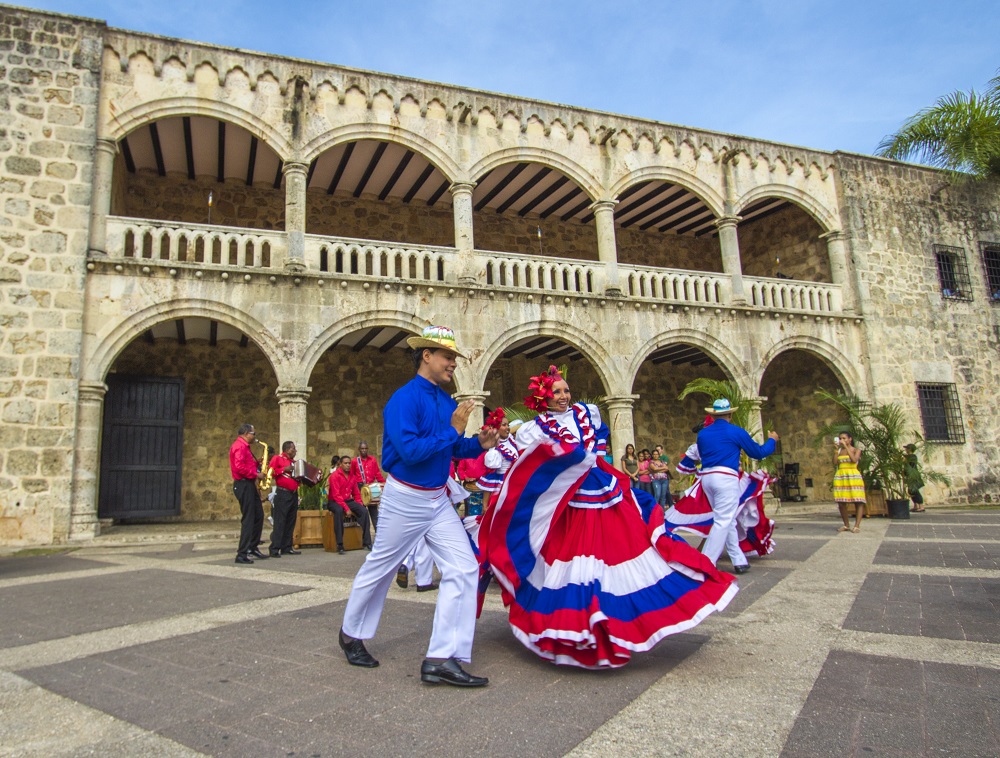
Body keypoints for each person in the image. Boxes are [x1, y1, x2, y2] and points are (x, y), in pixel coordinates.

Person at [480, 366, 737, 669]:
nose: (564, 396)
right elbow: (500, 457)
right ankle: (578, 625)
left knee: (622, 550)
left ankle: (614, 618)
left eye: (566, 390)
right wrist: (493, 448)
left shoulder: (586, 414)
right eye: (557, 393)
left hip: (603, 490)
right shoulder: (534, 429)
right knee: (574, 562)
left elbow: (597, 443)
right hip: (570, 503)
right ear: (544, 398)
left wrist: (587, 458)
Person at [338, 325, 499, 687]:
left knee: (464, 568)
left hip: (438, 499)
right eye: (448, 356)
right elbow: (409, 452)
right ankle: (351, 633)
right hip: (404, 497)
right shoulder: (403, 400)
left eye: (455, 357)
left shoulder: (445, 402)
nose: (454, 363)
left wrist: (480, 443)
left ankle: (442, 658)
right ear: (426, 355)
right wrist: (455, 431)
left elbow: (453, 449)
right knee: (381, 566)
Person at [697, 399, 779, 571]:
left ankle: (738, 559)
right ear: (730, 414)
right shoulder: (735, 431)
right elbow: (758, 453)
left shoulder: (703, 434)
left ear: (713, 414)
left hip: (707, 478)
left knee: (728, 519)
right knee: (723, 520)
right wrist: (772, 441)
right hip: (726, 478)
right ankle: (705, 562)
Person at [229, 423, 267, 564]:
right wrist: (257, 474)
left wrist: (257, 463)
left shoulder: (245, 447)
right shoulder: (239, 446)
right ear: (246, 433)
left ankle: (252, 547)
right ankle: (242, 553)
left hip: (248, 484)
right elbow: (239, 468)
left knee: (258, 516)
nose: (254, 436)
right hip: (243, 484)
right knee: (249, 519)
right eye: (253, 433)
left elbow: (245, 464)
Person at [327, 455, 373, 554]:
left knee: (364, 511)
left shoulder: (352, 476)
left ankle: (367, 542)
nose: (348, 465)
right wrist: (346, 508)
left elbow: (356, 493)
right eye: (345, 463)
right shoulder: (335, 476)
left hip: (347, 500)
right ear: (340, 464)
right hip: (334, 501)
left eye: (349, 463)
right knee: (339, 511)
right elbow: (336, 495)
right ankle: (340, 544)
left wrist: (360, 504)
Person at [267, 441, 301, 557]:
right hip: (282, 494)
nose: (295, 451)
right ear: (287, 449)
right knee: (280, 522)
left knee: (291, 521)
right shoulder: (277, 458)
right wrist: (283, 469)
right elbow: (270, 472)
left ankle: (287, 547)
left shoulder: (295, 463)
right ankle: (274, 548)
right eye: (293, 449)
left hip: (293, 494)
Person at [834, 432, 866, 532]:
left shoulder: (856, 450)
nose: (842, 440)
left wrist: (847, 448)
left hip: (853, 476)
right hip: (841, 476)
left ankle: (857, 525)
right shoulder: (839, 451)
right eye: (840, 438)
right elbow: (835, 463)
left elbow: (854, 459)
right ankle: (846, 524)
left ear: (850, 439)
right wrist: (836, 450)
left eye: (844, 438)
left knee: (858, 501)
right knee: (841, 502)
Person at [350, 441, 385, 530]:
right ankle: (364, 537)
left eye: (365, 448)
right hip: (359, 488)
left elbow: (377, 473)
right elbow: (352, 476)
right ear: (359, 450)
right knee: (361, 513)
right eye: (362, 449)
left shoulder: (372, 460)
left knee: (374, 513)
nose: (364, 450)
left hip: (371, 488)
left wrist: (384, 483)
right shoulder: (355, 461)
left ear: (367, 449)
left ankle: (378, 536)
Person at [904, 444, 926, 512]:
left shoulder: (913, 457)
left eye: (907, 448)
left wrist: (905, 461)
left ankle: (921, 506)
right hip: (909, 475)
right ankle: (915, 505)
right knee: (910, 491)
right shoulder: (907, 457)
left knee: (915, 490)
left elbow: (911, 464)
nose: (906, 450)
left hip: (913, 475)